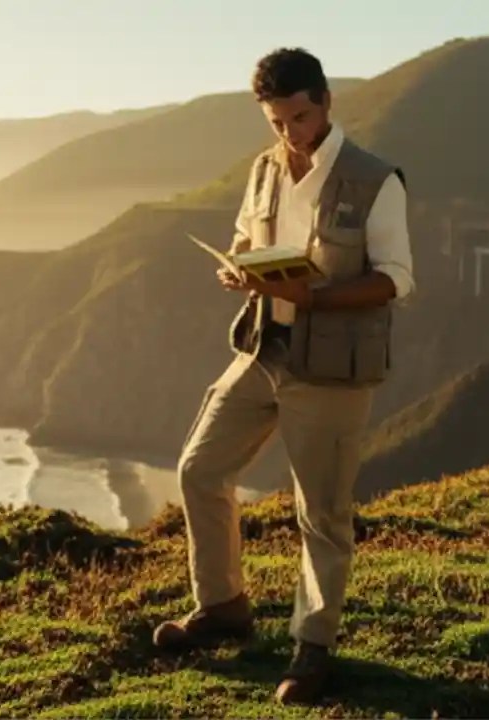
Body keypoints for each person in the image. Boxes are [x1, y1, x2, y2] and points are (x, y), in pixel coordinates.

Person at [153, 47, 415, 706]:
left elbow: (397, 280)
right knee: (200, 468)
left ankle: (313, 646)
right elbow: (248, 236)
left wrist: (315, 298)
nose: (290, 133)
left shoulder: (376, 180)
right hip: (264, 347)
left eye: (299, 117)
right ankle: (223, 607)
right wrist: (239, 267)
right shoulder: (265, 169)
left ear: (325, 101)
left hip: (332, 368)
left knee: (321, 513)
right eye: (276, 122)